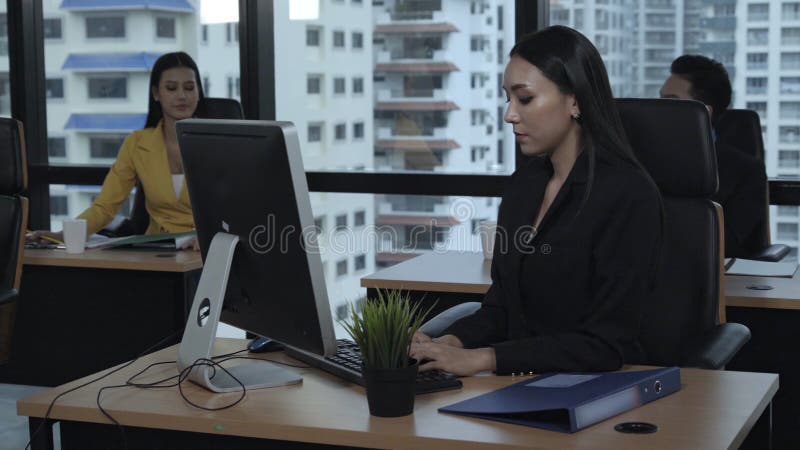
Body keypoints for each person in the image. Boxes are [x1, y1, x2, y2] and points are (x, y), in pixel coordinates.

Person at [409, 26, 663, 376]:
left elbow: (606, 345)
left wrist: (486, 359)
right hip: (520, 383)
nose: (509, 115)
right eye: (508, 99)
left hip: (596, 387)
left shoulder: (628, 194)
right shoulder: (523, 186)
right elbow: (502, 308)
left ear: (575, 101)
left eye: (525, 99)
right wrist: (452, 342)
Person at [29, 51, 205, 249]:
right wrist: (62, 235)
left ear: (198, 92)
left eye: (189, 88)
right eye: (171, 88)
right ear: (156, 93)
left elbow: (231, 206)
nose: (182, 96)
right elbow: (105, 207)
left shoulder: (217, 142)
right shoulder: (137, 143)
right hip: (160, 250)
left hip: (209, 248)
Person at [660, 55, 767, 258]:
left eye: (671, 101)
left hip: (711, 270)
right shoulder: (642, 160)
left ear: (704, 113)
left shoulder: (746, 172)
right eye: (660, 100)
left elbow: (728, 243)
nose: (658, 110)